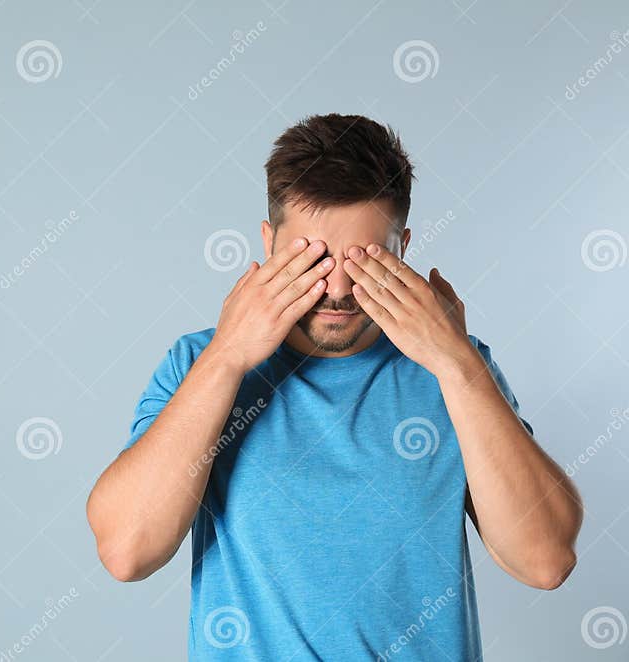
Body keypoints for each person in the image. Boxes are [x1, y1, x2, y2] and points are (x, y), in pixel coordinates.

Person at [85, 114, 583, 661]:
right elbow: (127, 551)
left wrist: (456, 363)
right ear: (269, 242)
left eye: (366, 260)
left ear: (404, 248)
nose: (339, 290)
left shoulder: (454, 369)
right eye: (313, 259)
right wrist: (227, 358)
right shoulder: (198, 363)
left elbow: (544, 560)